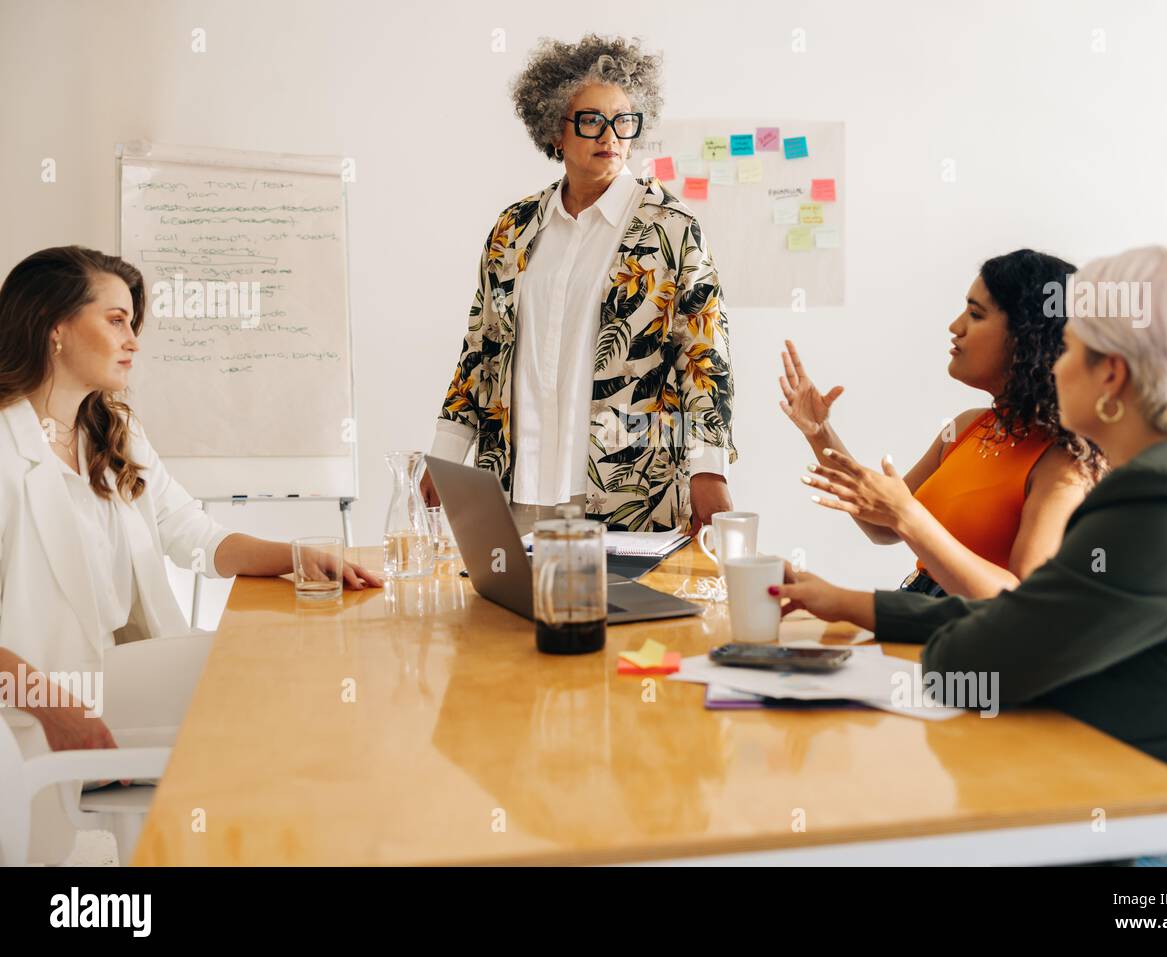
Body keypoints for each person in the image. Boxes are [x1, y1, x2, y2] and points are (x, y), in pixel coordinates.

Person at [772, 247, 1167, 862]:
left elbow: (978, 657)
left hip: (1135, 847)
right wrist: (849, 602)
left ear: (1113, 376)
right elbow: (1039, 616)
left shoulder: (1153, 505)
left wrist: (934, 627)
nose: (1056, 363)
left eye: (1071, 347)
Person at [0, 246, 382, 863]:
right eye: (116, 320)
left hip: (111, 677)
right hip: (33, 702)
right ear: (56, 328)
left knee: (284, 670)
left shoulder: (112, 431)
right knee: (266, 696)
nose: (133, 341)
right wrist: (54, 707)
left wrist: (297, 554)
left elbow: (196, 536)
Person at [423, 34, 737, 535]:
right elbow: (480, 347)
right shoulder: (514, 228)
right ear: (555, 131)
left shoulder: (671, 227)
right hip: (514, 484)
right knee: (511, 613)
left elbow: (703, 355)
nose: (610, 135)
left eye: (623, 120)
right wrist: (446, 454)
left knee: (625, 613)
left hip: (629, 487)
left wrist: (708, 468)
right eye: (591, 120)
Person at [781, 250, 1103, 599]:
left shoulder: (1066, 461)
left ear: (1028, 338)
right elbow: (882, 525)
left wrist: (908, 516)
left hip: (977, 640)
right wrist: (819, 431)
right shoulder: (967, 428)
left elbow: (1027, 601)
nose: (955, 327)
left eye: (976, 314)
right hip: (921, 613)